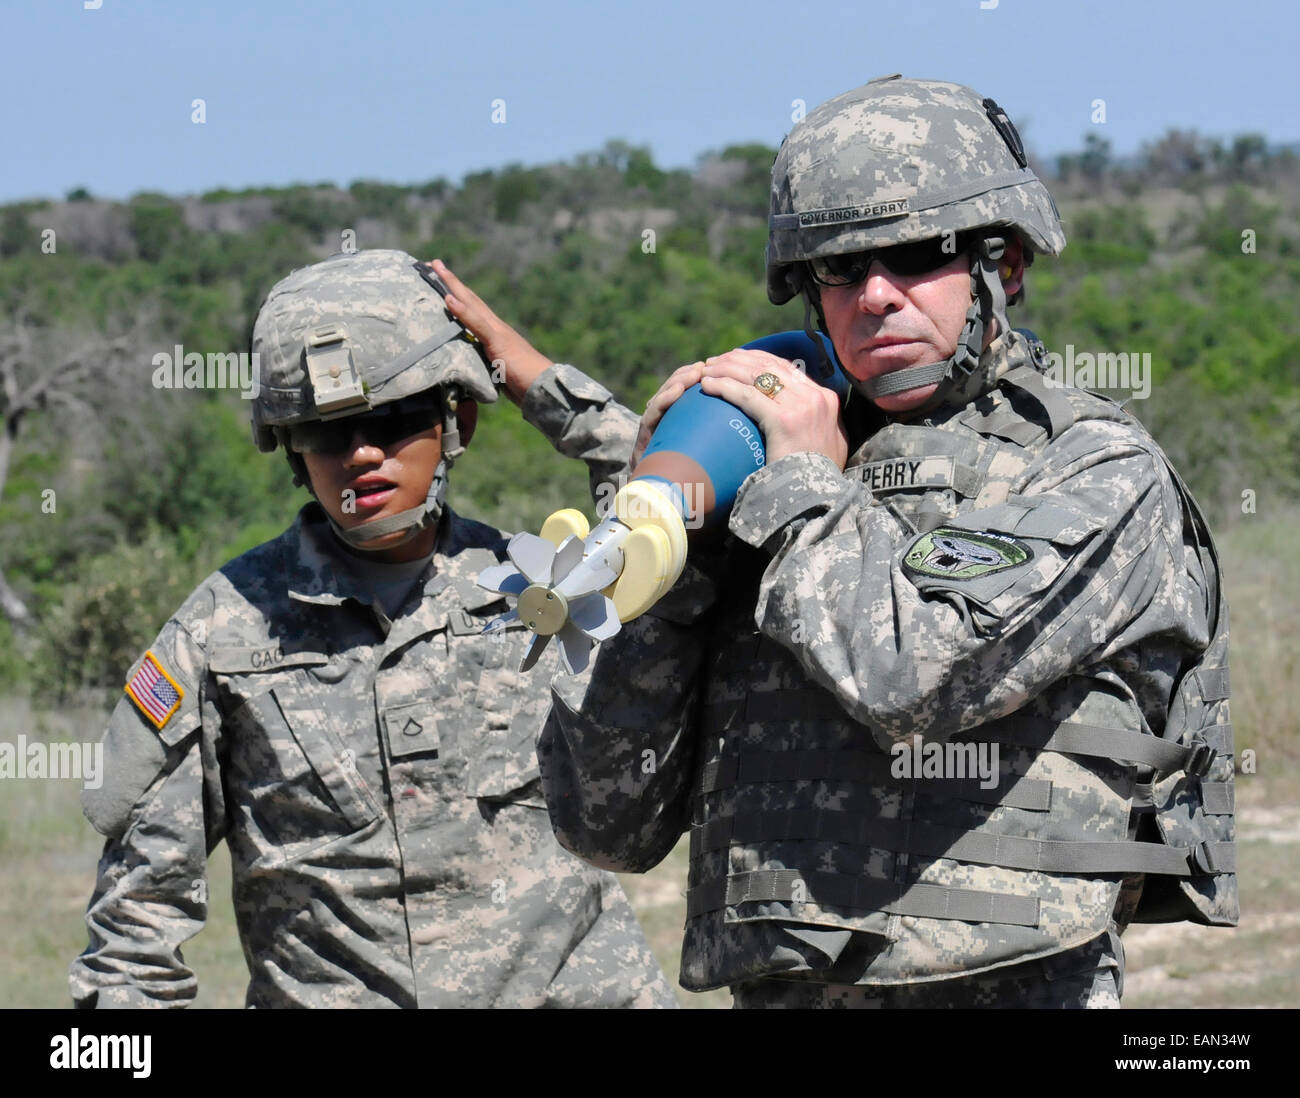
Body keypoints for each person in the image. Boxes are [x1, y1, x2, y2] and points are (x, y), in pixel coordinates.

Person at [441, 76, 1236, 1008]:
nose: (877, 297)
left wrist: (799, 492)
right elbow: (606, 824)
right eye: (840, 270)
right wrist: (678, 563)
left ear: (1005, 264)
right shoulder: (768, 484)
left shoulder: (1092, 469)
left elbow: (913, 675)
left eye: (914, 255)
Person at [68, 248, 676, 1009]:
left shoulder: (549, 589)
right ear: (291, 446)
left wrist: (536, 381)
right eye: (327, 433)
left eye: (391, 421)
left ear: (456, 419)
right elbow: (133, 929)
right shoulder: (220, 634)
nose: (361, 454)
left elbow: (669, 499)